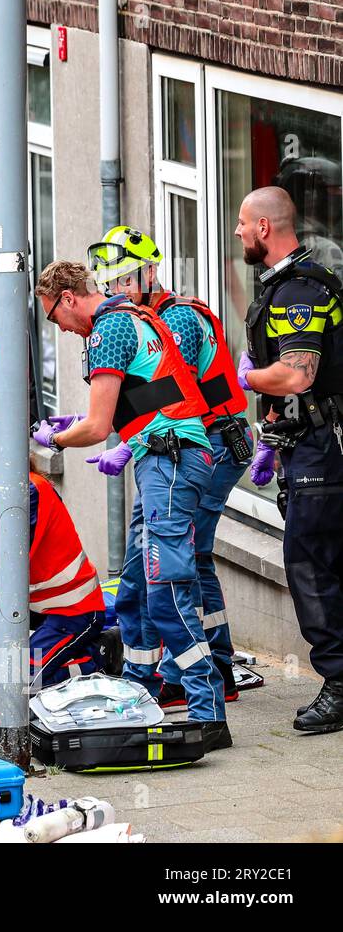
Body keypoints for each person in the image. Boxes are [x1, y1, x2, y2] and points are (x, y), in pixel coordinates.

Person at [33, 259, 230, 752]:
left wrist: (51, 444)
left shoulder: (110, 328)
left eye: (54, 314)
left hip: (171, 463)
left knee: (167, 590)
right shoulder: (131, 318)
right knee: (138, 584)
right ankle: (144, 691)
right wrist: (72, 424)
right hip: (163, 459)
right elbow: (140, 401)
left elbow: (99, 427)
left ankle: (209, 713)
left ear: (70, 298)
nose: (57, 324)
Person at [86, 226, 248, 704]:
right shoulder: (148, 318)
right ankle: (187, 673)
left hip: (205, 444)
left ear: (151, 271)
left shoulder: (175, 319)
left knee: (181, 562)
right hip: (181, 446)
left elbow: (178, 396)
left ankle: (208, 674)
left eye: (126, 280)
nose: (118, 291)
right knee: (172, 563)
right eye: (112, 283)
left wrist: (118, 434)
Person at [235, 186, 343, 734]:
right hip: (312, 442)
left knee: (309, 564)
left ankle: (340, 684)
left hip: (324, 452)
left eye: (242, 223)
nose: (236, 232)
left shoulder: (298, 291)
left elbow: (297, 375)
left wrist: (247, 376)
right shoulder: (288, 285)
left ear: (264, 229)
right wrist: (270, 441)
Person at [0, 419, 104, 688]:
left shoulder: (27, 490)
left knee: (12, 683)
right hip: (37, 606)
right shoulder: (3, 491)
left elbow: (5, 569)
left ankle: (96, 659)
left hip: (73, 610)